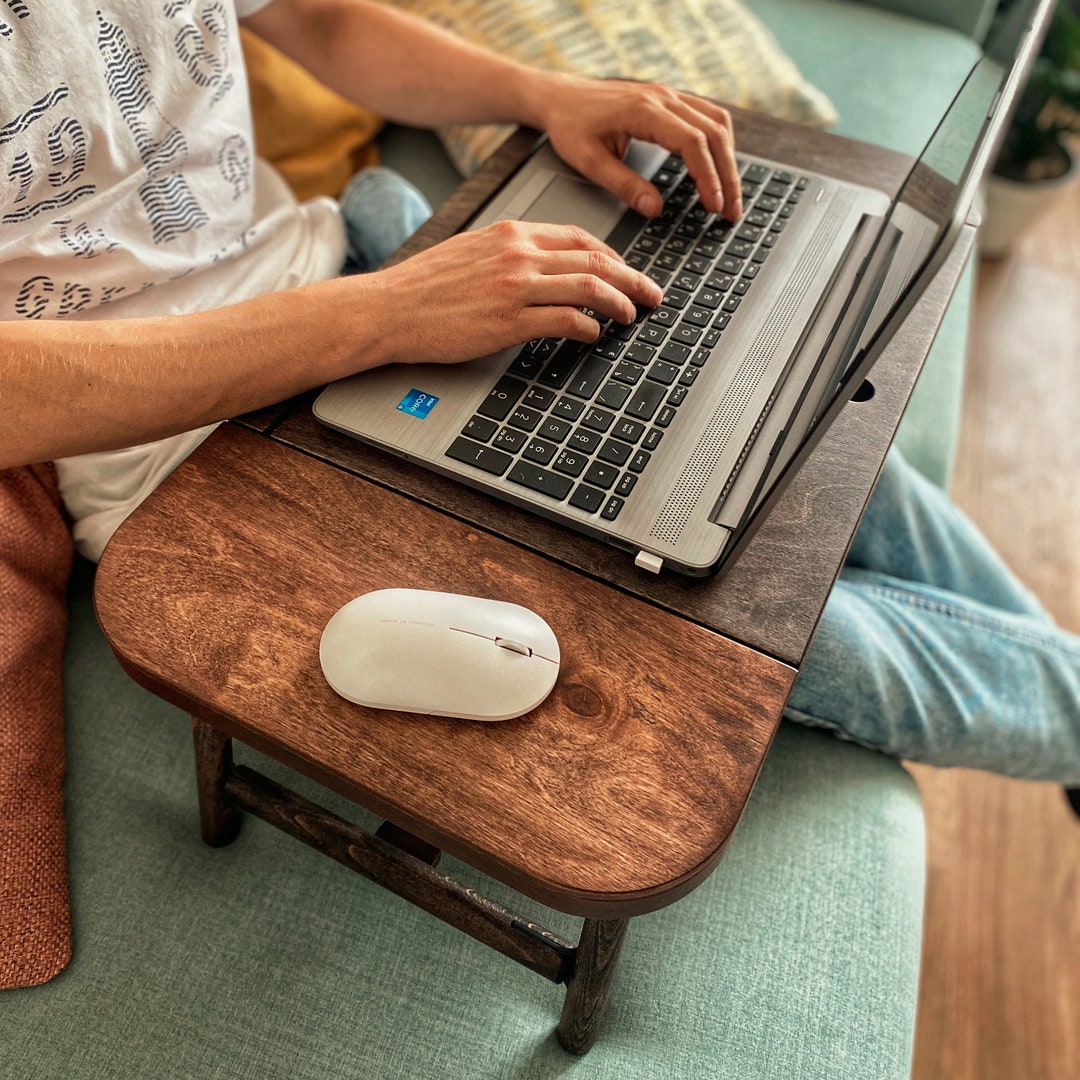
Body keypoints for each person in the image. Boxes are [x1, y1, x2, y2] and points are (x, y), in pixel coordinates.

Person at [1, 0, 1077, 987]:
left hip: (345, 266)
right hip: (189, 447)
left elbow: (317, 19)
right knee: (796, 630)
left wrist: (543, 95)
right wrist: (386, 317)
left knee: (780, 412)